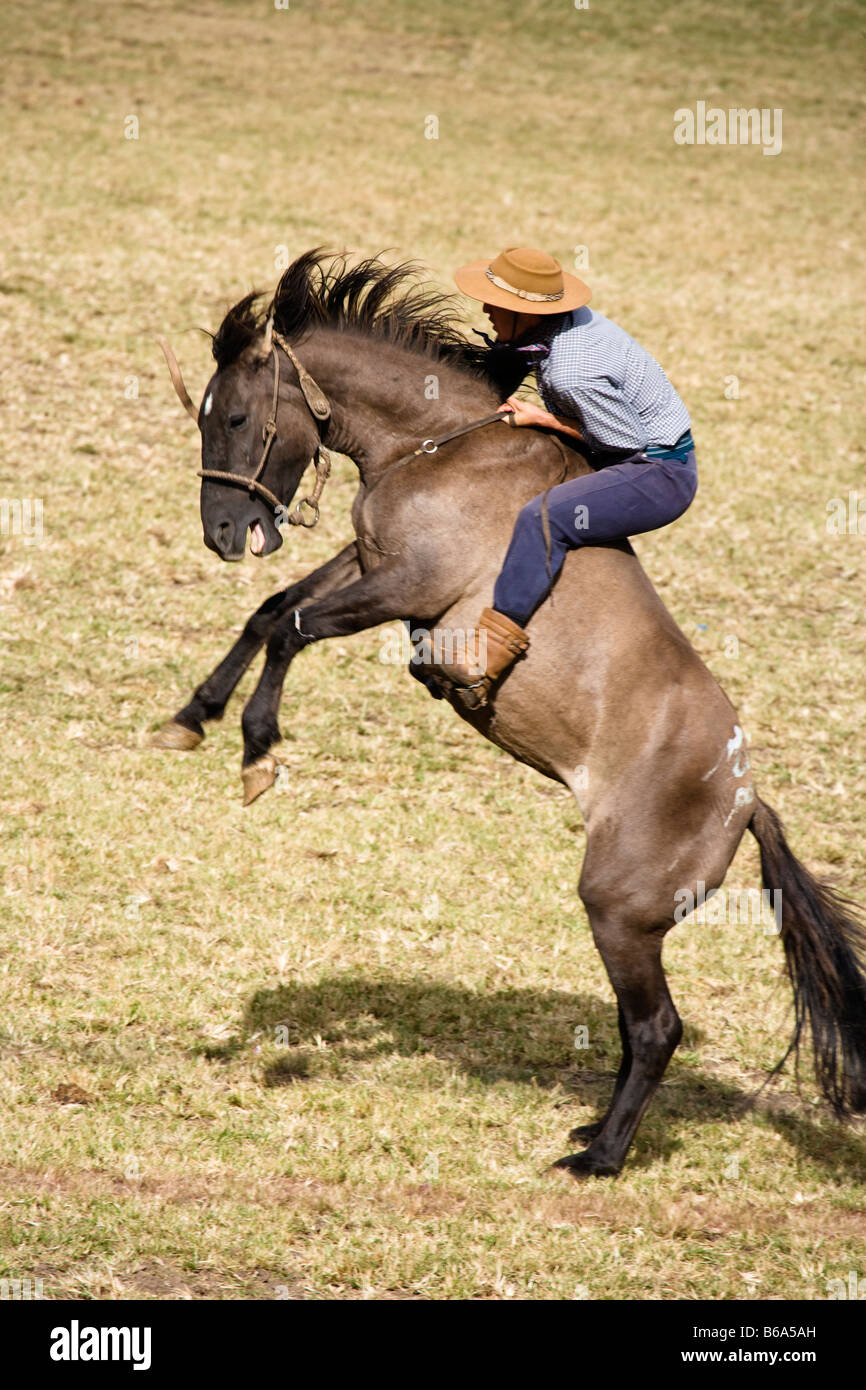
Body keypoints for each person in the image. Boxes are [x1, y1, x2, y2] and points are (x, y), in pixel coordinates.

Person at [441, 245, 697, 707]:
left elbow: (621, 444)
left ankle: (488, 654)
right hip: (633, 449)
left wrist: (543, 420)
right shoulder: (560, 323)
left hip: (658, 470)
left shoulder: (573, 369)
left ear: (525, 313)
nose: (484, 308)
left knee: (546, 516)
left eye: (495, 304)